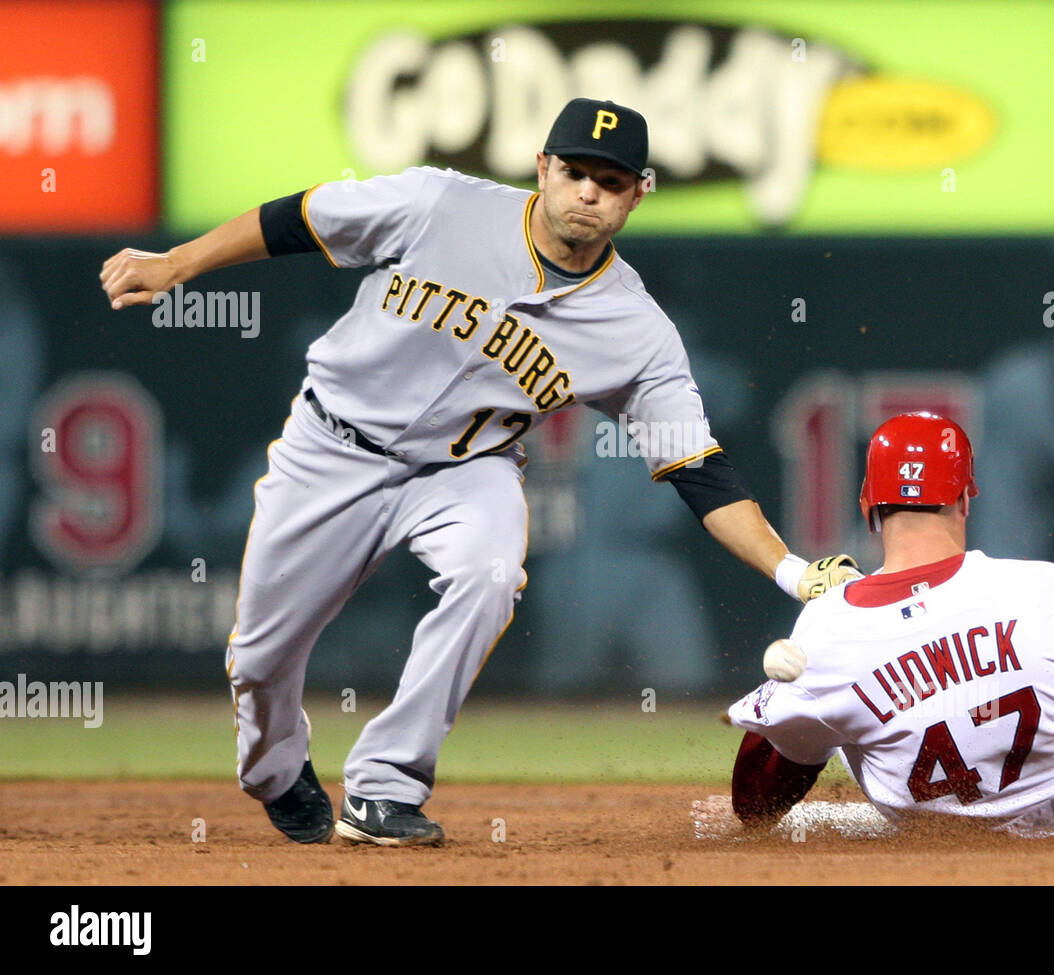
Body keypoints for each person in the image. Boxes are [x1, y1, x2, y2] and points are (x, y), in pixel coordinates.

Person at [100, 98, 857, 846]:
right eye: (574, 171)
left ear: (640, 192)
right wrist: (177, 262)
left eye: (612, 180)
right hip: (330, 447)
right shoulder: (440, 202)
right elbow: (302, 218)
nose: (588, 191)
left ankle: (385, 786)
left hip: (466, 469)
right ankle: (272, 768)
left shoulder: (638, 332)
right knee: (262, 658)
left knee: (492, 572)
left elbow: (699, 469)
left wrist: (793, 572)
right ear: (542, 168)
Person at [725, 410, 1054, 841]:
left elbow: (755, 803)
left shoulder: (827, 631)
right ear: (964, 498)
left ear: (867, 505)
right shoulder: (1048, 588)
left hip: (937, 860)